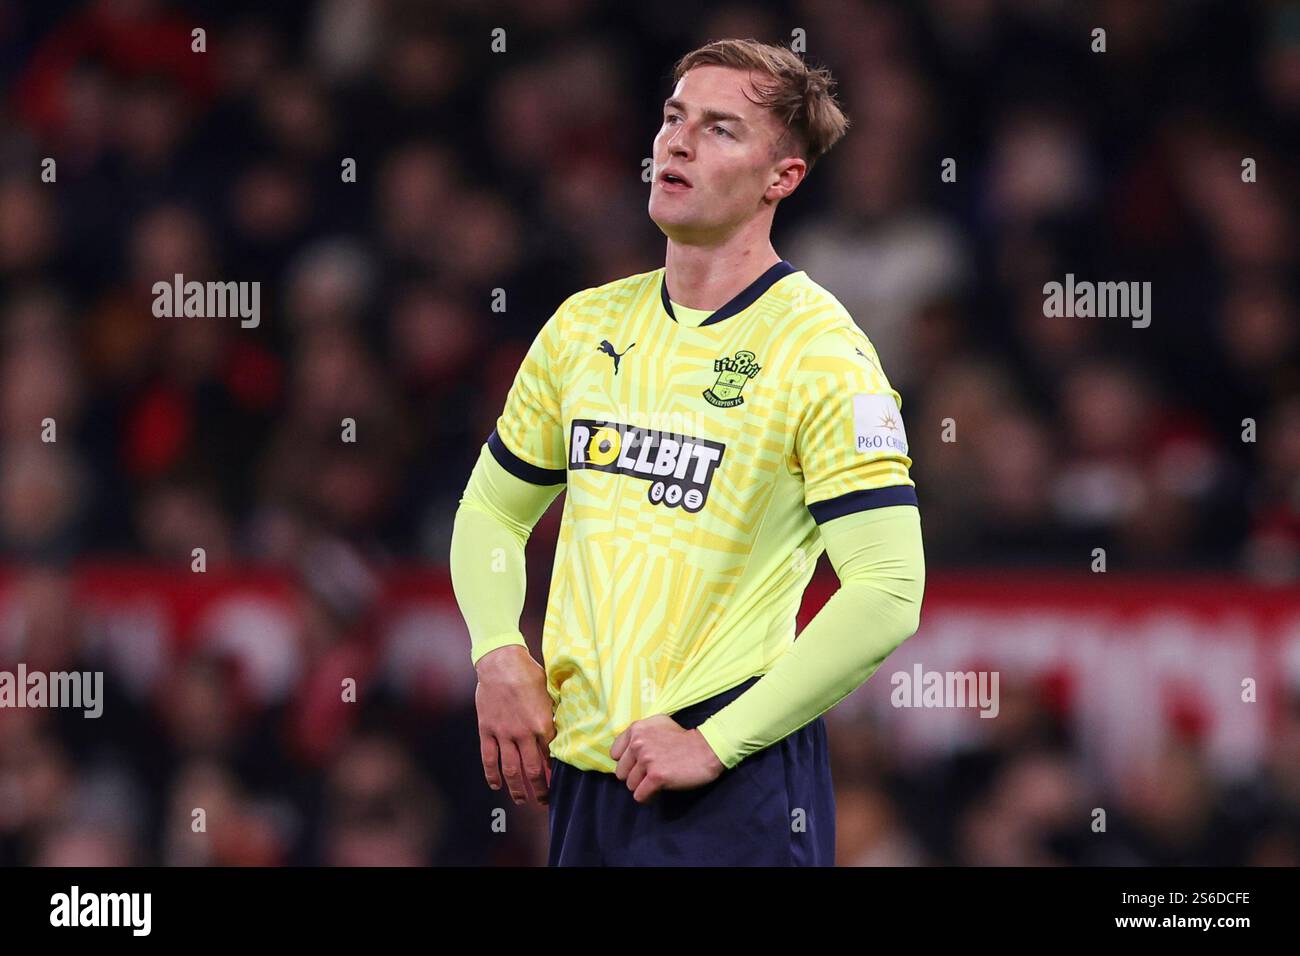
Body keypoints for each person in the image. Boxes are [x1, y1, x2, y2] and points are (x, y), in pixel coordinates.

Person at [450, 38, 925, 866]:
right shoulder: (583, 328)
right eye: (674, 118)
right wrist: (496, 650)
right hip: (589, 776)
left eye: (720, 129)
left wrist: (716, 742)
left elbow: (889, 589)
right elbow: (493, 509)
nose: (676, 141)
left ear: (783, 178)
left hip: (731, 783)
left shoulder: (821, 353)